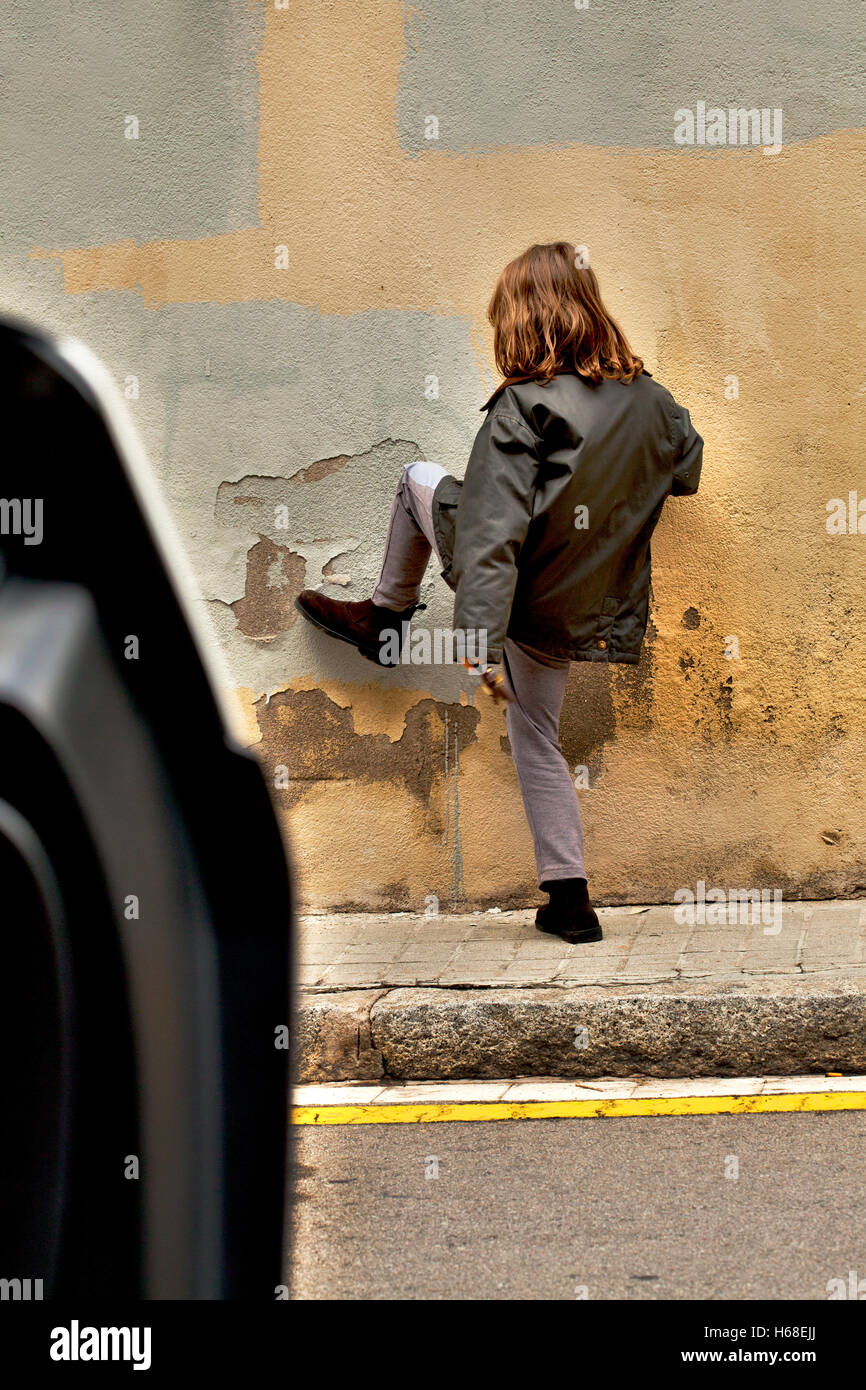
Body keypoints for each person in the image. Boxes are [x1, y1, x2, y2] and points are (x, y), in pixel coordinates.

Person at [296, 241, 703, 945]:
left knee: (418, 477)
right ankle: (569, 902)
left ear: (520, 320)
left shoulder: (522, 407)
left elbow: (489, 535)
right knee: (535, 735)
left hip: (520, 595)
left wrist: (480, 644)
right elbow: (688, 469)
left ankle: (385, 618)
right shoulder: (655, 403)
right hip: (580, 606)